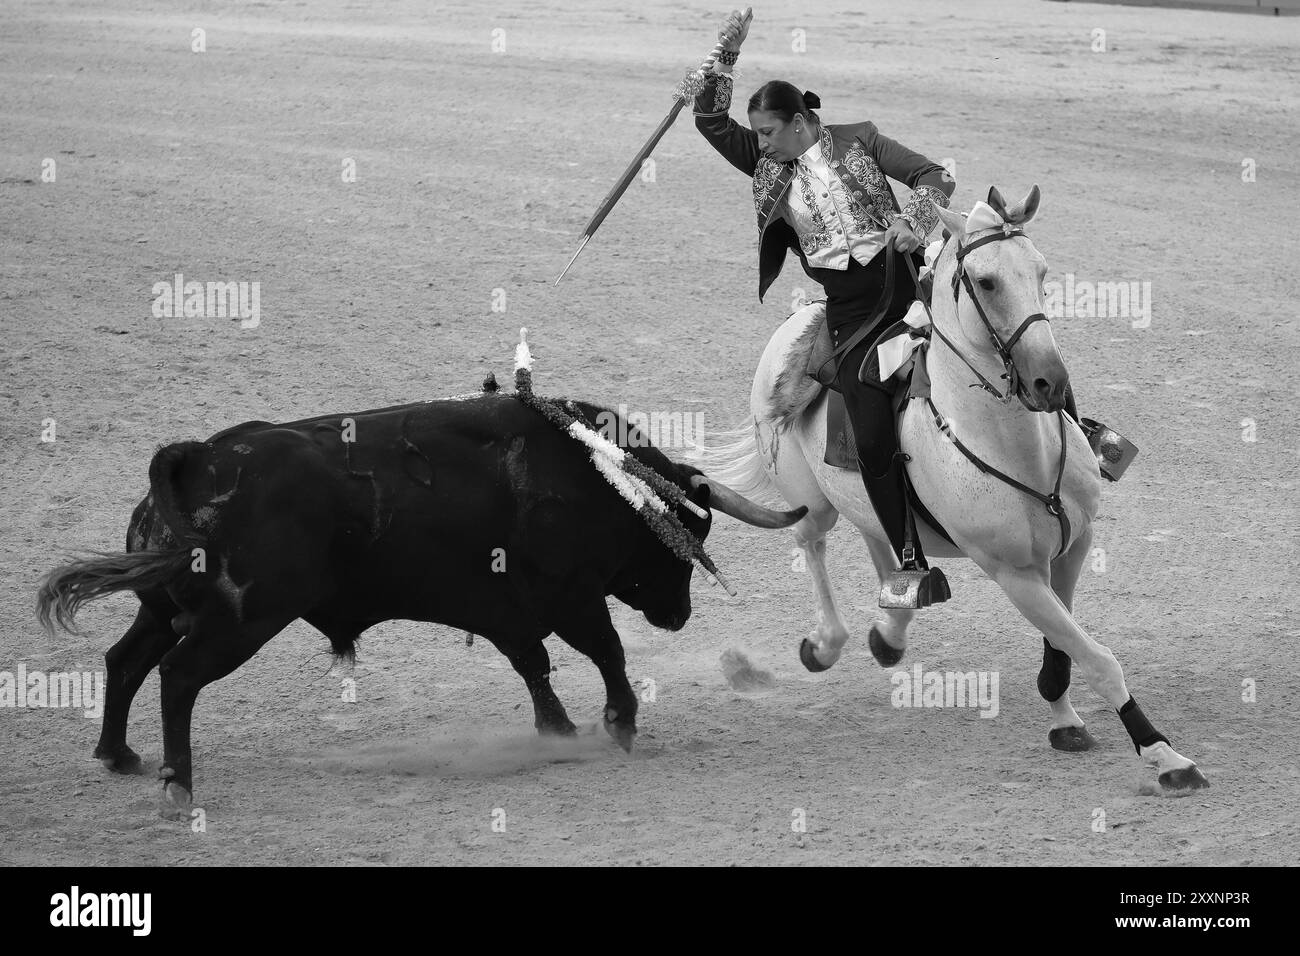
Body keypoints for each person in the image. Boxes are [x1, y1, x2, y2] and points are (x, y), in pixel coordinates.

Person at [692, 8, 956, 607]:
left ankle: (1087, 437)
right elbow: (709, 118)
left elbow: (934, 176)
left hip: (907, 282)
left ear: (800, 122)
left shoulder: (860, 137)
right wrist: (723, 56)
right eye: (756, 135)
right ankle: (909, 565)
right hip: (850, 309)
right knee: (867, 424)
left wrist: (915, 222)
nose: (757, 144)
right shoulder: (767, 168)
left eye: (766, 132)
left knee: (1004, 334)